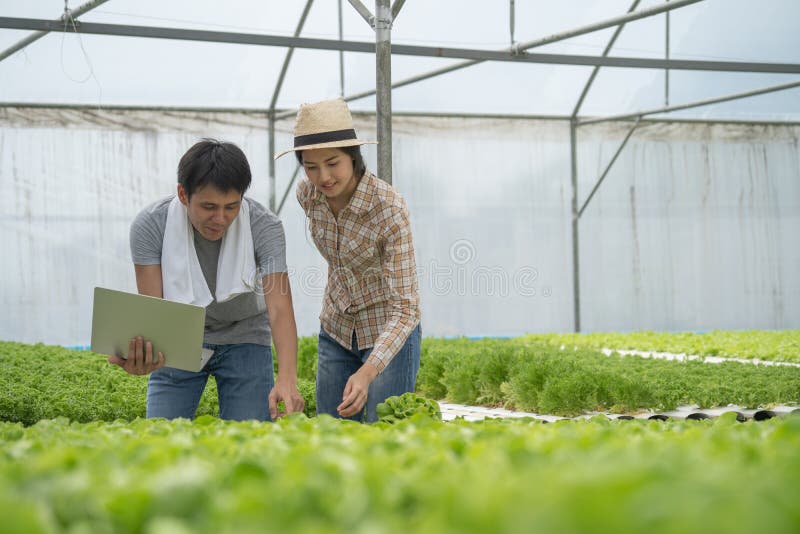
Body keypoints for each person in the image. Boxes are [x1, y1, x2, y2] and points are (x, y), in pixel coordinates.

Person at [109, 139, 304, 421]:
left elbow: (279, 307)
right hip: (179, 334)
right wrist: (143, 358)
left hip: (244, 333)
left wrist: (287, 377)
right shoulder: (151, 225)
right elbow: (155, 311)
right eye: (209, 206)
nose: (220, 218)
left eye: (231, 206)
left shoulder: (264, 225)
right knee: (161, 436)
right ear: (183, 194)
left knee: (249, 439)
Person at [275, 98, 421, 423]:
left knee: (384, 434)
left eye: (332, 163)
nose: (323, 177)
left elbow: (407, 309)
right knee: (331, 435)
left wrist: (368, 373)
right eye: (311, 167)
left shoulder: (389, 210)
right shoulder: (308, 196)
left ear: (353, 157)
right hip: (337, 330)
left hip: (387, 334)